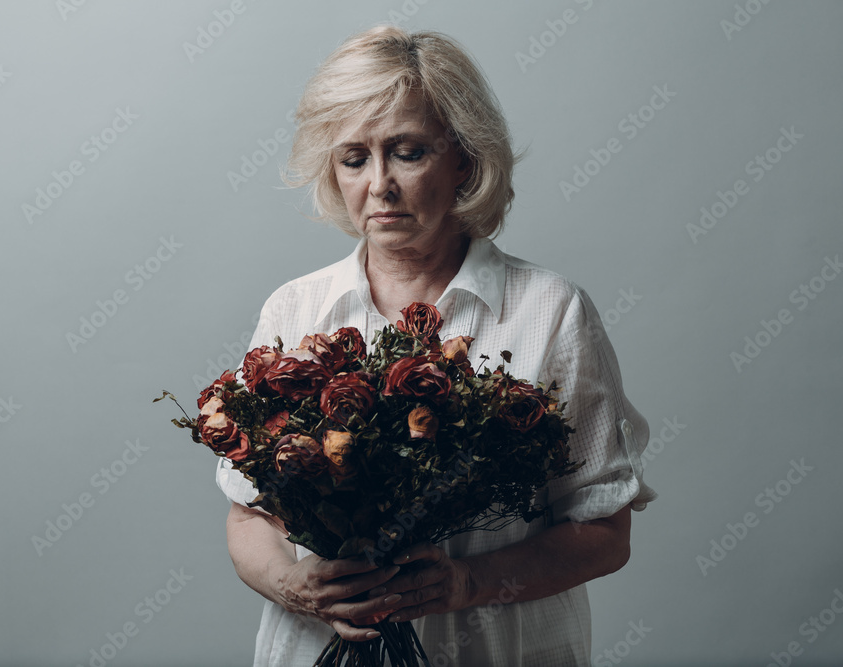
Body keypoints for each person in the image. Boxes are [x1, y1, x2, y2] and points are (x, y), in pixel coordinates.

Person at [216, 25, 657, 666]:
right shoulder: (294, 309)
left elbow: (603, 532)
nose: (380, 185)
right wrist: (295, 586)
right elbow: (248, 515)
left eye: (409, 152)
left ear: (466, 161)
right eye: (354, 158)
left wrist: (465, 585)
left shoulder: (549, 311)